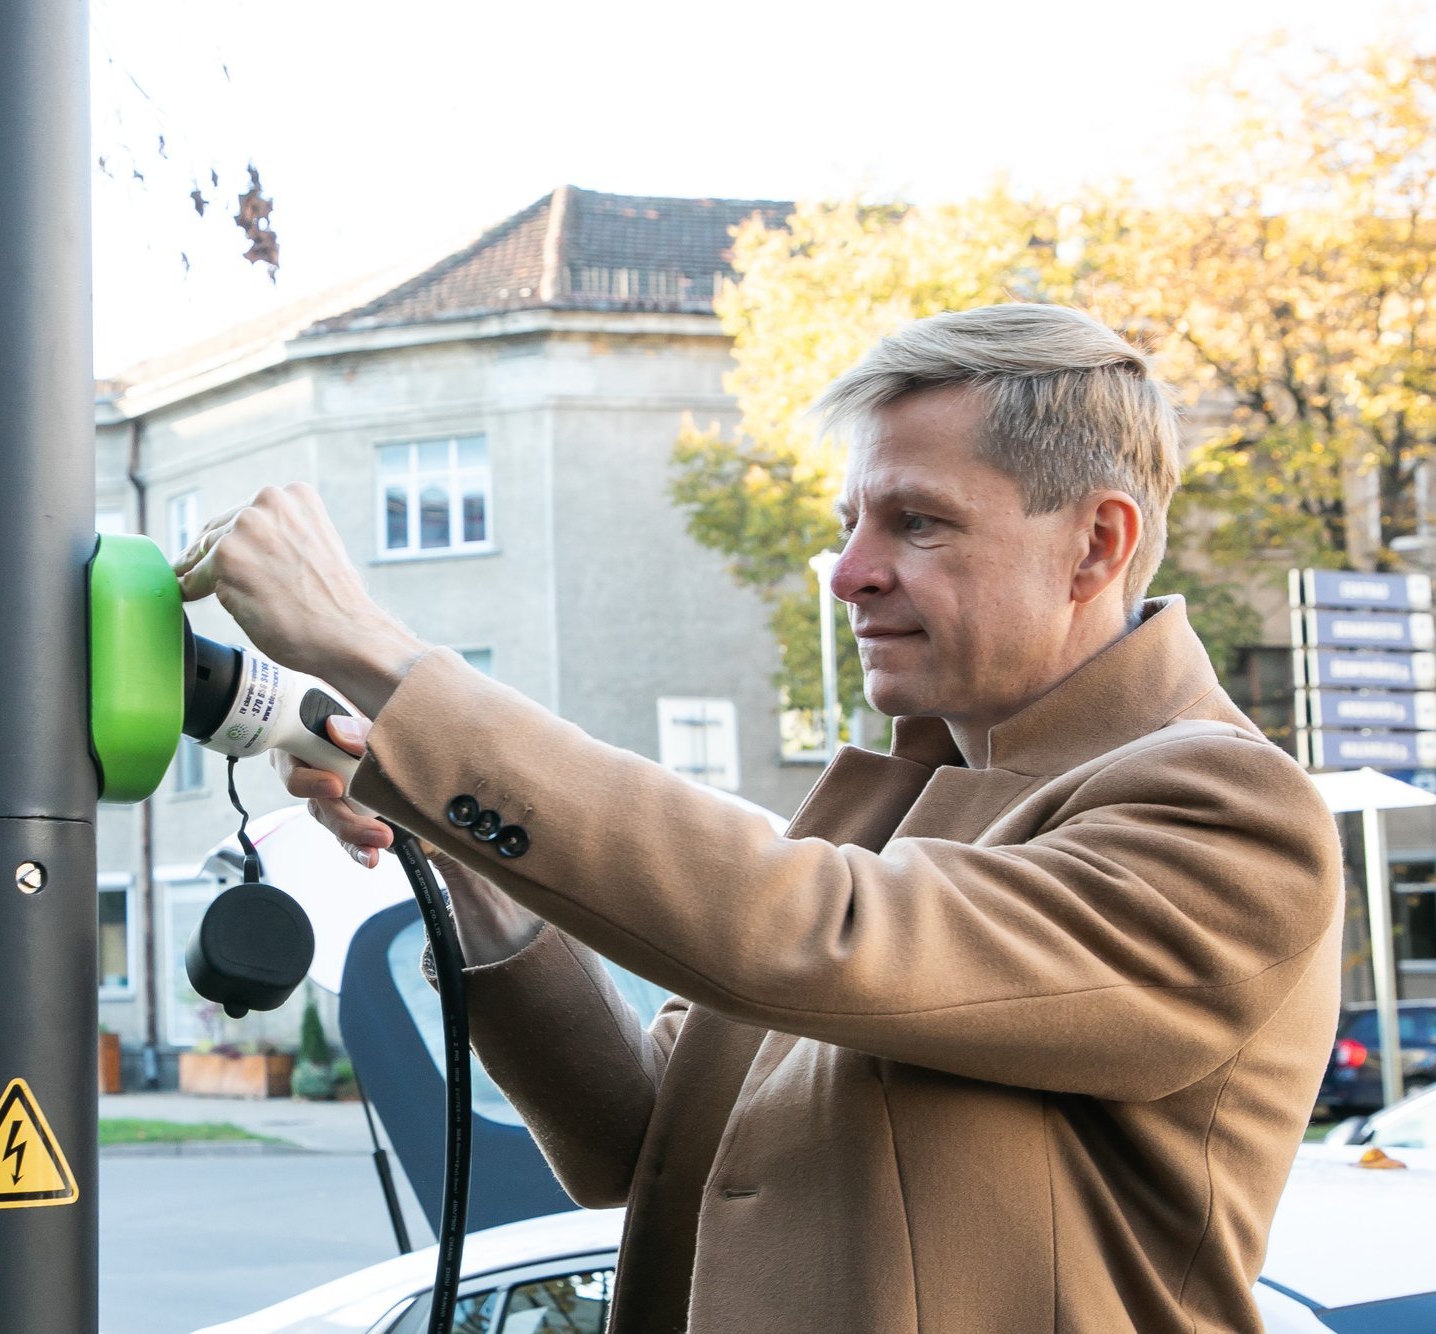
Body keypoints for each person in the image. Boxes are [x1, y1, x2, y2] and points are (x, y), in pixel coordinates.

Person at [173, 303, 1342, 1333]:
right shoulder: (889, 815)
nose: (845, 571)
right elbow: (629, 1131)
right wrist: (451, 848)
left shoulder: (1227, 811)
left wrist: (380, 654)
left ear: (1096, 541)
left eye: (916, 523)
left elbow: (798, 931)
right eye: (850, 520)